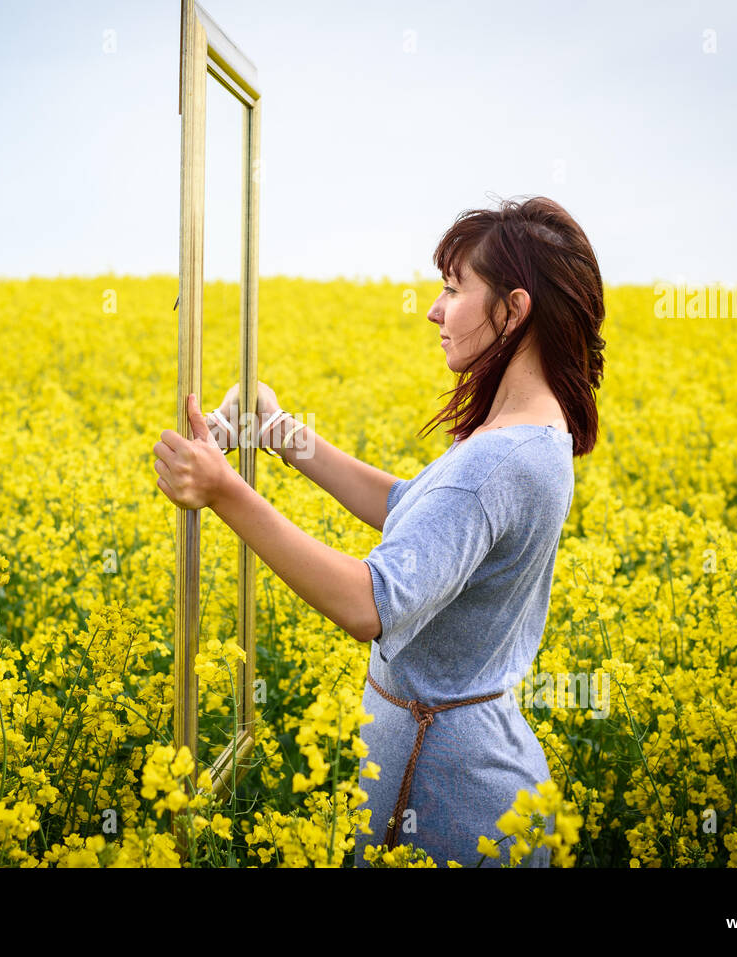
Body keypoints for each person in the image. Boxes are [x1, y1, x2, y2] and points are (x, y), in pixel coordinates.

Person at [153, 194, 605, 868]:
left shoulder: (496, 462)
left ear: (514, 309)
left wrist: (224, 491)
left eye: (454, 289)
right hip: (472, 784)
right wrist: (282, 435)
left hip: (458, 808)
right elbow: (415, 510)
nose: (433, 308)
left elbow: (369, 602)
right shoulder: (531, 435)